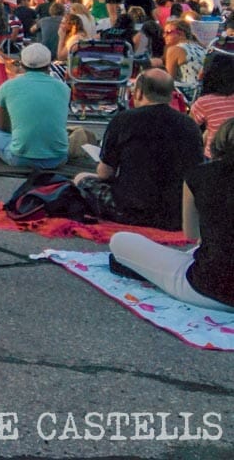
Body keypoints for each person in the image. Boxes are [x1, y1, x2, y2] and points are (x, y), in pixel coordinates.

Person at [108, 116, 234, 311]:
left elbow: (192, 235)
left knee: (121, 241)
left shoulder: (199, 175)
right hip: (216, 279)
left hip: (208, 289)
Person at [73, 70, 204, 230]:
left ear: (140, 93)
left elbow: (105, 173)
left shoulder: (123, 119)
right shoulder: (189, 125)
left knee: (82, 178)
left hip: (130, 210)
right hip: (176, 212)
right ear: (171, 94)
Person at [0, 43, 69, 169]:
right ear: (49, 65)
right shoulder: (64, 88)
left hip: (20, 158)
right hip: (58, 159)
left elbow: (4, 127)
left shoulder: (7, 86)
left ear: (22, 64)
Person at [163, 19, 206, 99]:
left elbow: (169, 80)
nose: (164, 35)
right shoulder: (200, 46)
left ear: (181, 33)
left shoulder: (175, 49)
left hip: (189, 93)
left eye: (168, 32)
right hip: (205, 91)